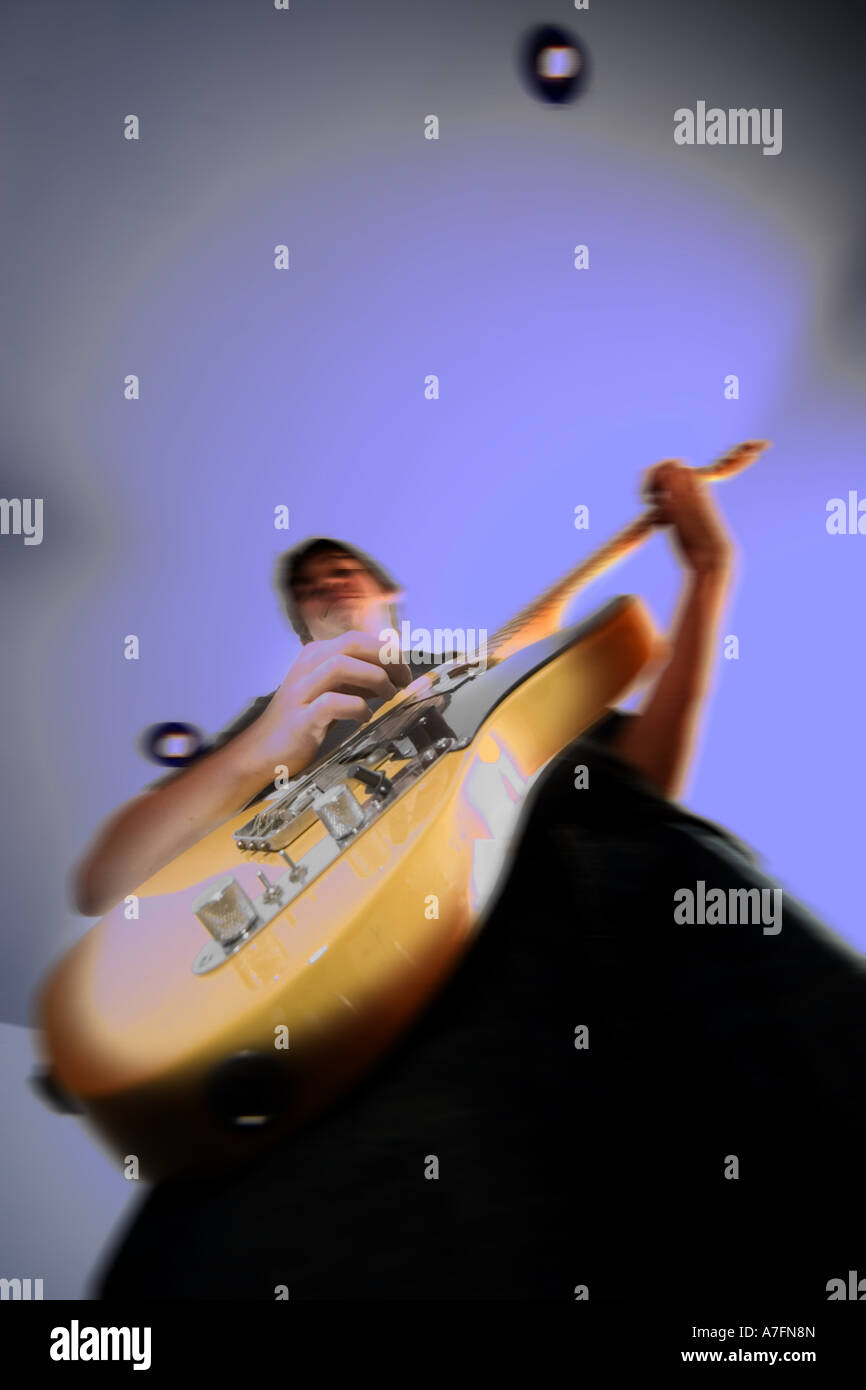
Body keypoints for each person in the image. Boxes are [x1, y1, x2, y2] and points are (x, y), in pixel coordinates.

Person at [84, 465, 865, 1302]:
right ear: (300, 622)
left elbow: (639, 776)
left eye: (344, 569)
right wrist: (265, 742)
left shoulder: (489, 682)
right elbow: (112, 877)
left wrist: (708, 575)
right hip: (352, 1024)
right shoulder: (270, 720)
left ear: (390, 593)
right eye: (308, 585)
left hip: (624, 911)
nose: (328, 582)